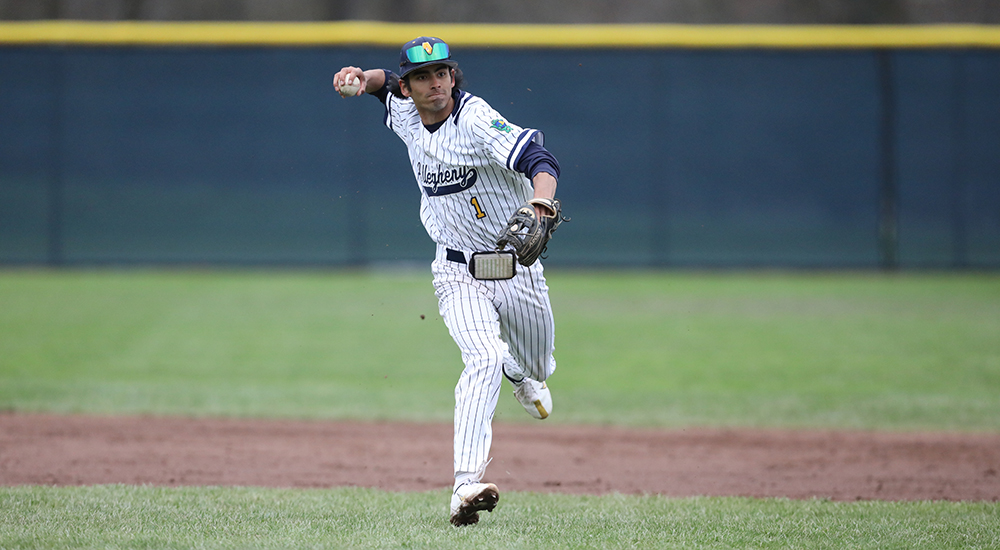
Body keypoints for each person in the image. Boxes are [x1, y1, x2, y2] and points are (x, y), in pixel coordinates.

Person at [333, 36, 563, 526]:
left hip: (513, 266)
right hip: (456, 271)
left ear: (453, 77)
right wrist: (361, 77)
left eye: (441, 73)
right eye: (421, 77)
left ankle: (521, 374)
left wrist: (541, 203)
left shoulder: (476, 119)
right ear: (410, 86)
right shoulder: (408, 113)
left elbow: (540, 161)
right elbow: (381, 87)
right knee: (480, 358)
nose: (433, 84)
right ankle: (465, 484)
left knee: (540, 366)